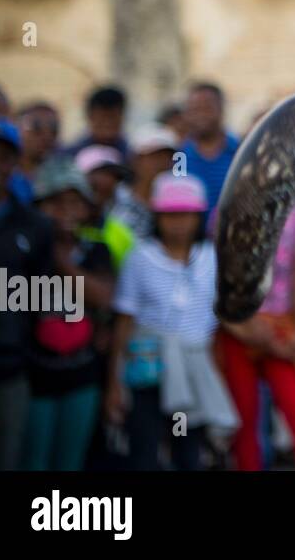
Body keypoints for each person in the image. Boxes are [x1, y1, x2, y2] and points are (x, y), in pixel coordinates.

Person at [105, 174, 237, 470]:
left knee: (189, 452)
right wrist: (114, 381)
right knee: (144, 451)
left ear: (198, 216)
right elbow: (124, 321)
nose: (178, 223)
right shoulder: (140, 258)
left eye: (185, 214)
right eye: (170, 215)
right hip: (149, 368)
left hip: (193, 371)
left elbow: (219, 321)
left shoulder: (211, 259)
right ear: (157, 216)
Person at [217, 199, 295, 471]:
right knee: (244, 419)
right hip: (238, 327)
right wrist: (246, 329)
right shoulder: (230, 209)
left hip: (282, 328)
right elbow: (219, 277)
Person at [22, 158, 116, 471]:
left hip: (82, 377)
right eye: (56, 204)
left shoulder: (96, 250)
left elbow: (104, 297)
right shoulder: (27, 250)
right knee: (34, 460)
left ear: (89, 208)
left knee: (71, 461)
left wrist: (61, 261)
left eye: (76, 203)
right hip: (35, 378)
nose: (66, 212)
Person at [0, 116, 55, 470]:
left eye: (3, 156)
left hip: (7, 369)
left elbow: (42, 298)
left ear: (15, 162)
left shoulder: (35, 225)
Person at [180, 82, 239, 224]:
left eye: (207, 108)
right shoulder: (179, 155)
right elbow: (177, 196)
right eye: (194, 109)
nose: (200, 115)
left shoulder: (239, 151)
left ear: (221, 110)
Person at [111, 124, 179, 245]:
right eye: (155, 157)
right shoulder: (115, 200)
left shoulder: (180, 202)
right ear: (135, 161)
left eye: (168, 158)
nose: (163, 163)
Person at [72, 145, 136, 272]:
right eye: (100, 174)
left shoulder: (122, 233)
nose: (109, 182)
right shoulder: (60, 227)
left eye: (115, 177)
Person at [12, 101, 61, 204]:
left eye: (53, 128)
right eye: (36, 127)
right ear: (16, 127)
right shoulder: (0, 173)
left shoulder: (67, 176)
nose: (47, 136)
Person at [67, 86, 130, 159]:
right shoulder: (71, 156)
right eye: (102, 118)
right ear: (89, 117)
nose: (107, 123)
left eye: (112, 117)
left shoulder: (131, 157)